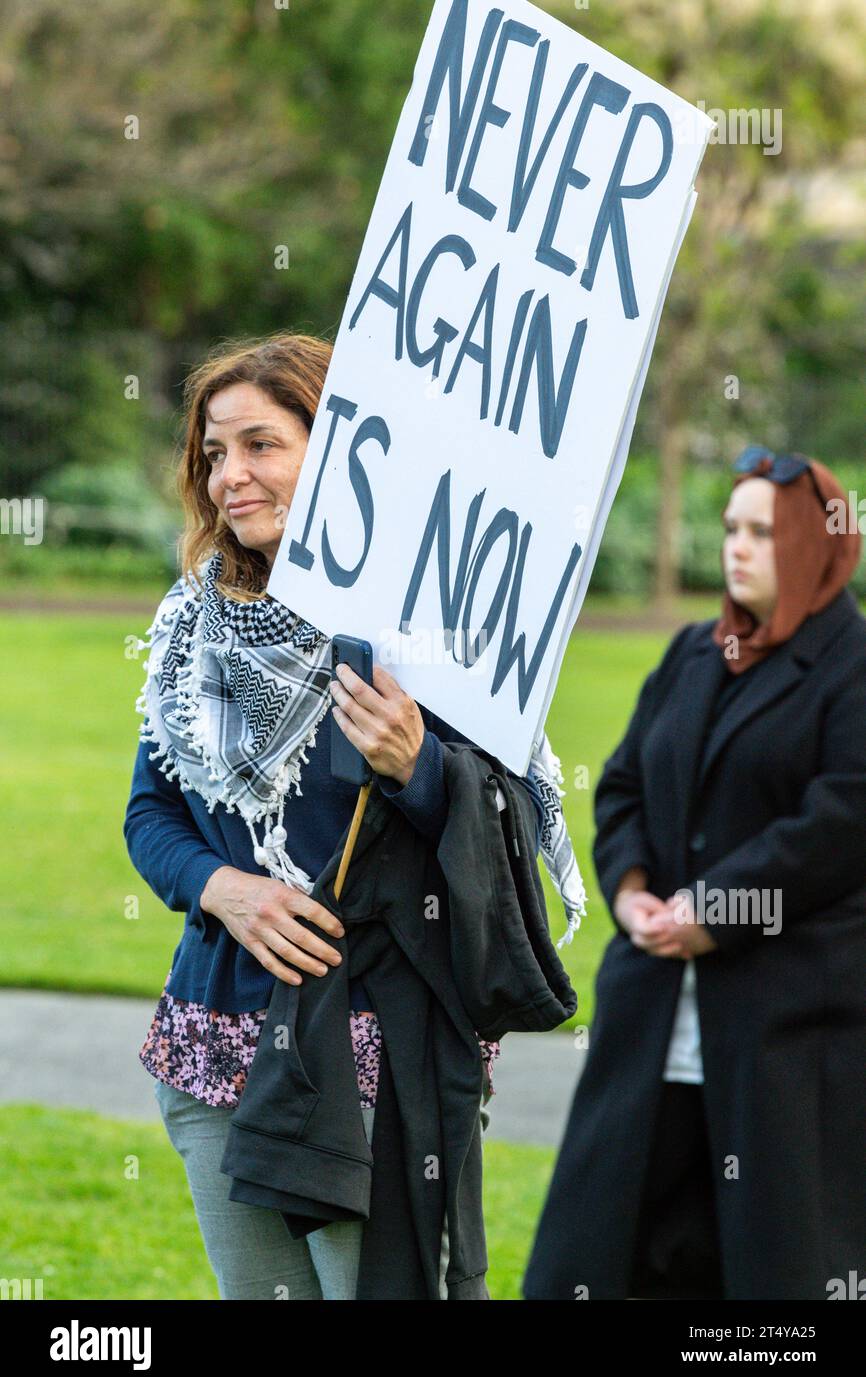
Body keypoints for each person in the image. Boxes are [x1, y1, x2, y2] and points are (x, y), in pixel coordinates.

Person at [124, 330, 586, 1300]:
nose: (226, 478)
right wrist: (224, 888)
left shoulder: (429, 627)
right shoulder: (194, 623)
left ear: (337, 450)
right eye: (213, 453)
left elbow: (495, 838)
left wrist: (416, 765)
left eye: (260, 445)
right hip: (214, 1036)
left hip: (377, 1050)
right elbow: (150, 812)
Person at [522, 446, 866, 1301]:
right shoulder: (692, 652)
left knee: (768, 1283)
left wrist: (716, 911)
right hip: (651, 1025)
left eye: (764, 532)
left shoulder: (854, 672)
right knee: (608, 1261)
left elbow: (839, 824)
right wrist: (632, 886)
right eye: (731, 529)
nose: (737, 549)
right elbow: (627, 783)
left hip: (784, 1037)